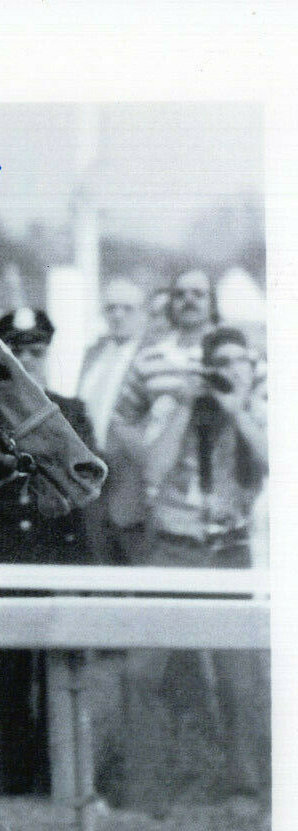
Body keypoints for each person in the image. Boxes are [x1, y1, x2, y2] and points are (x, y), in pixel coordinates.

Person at [109, 324, 266, 802]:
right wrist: (182, 404)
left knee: (238, 676)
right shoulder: (176, 406)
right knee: (141, 672)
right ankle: (142, 788)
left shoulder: (257, 410)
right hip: (173, 550)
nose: (226, 373)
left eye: (237, 363)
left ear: (250, 368)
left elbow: (274, 460)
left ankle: (243, 787)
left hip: (228, 550)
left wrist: (237, 410)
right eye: (218, 365)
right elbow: (153, 468)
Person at [0, 308, 95, 795]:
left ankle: (61, 779)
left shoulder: (70, 412)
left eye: (38, 351)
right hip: (3, 562)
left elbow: (85, 495)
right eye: (18, 350)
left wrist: (80, 573)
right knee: (9, 678)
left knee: (60, 678)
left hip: (55, 559)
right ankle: (15, 778)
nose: (29, 361)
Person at [100, 268, 221, 564]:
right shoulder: (151, 358)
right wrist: (151, 462)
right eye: (180, 295)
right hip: (163, 500)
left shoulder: (233, 353)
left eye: (198, 294)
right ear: (170, 303)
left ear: (212, 302)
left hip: (220, 492)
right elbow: (120, 421)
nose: (188, 301)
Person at [75, 278, 149, 564]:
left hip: (132, 486)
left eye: (127, 309)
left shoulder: (152, 356)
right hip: (92, 485)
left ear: (143, 314)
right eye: (110, 308)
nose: (117, 315)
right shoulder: (92, 354)